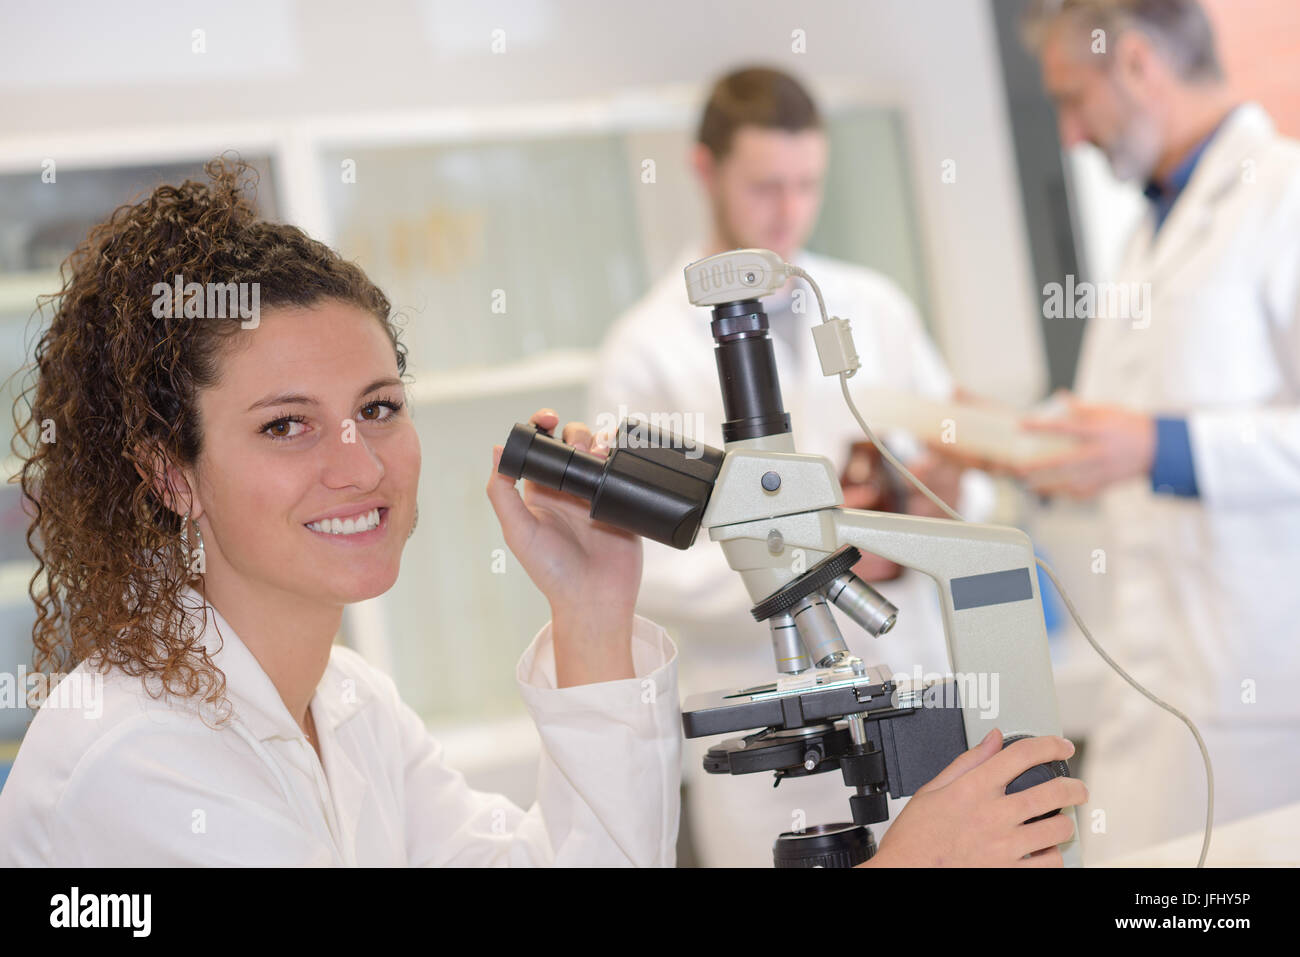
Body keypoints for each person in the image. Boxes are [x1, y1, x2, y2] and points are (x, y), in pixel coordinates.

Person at [0, 157, 1083, 868]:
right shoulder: (139, 759)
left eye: (378, 408)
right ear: (169, 474)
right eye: (286, 425)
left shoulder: (346, 706)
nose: (357, 461)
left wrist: (591, 606)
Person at [586, 66, 999, 866]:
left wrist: (945, 490)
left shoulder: (873, 307)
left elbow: (962, 486)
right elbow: (644, 567)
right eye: (766, 185)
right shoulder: (643, 352)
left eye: (808, 184)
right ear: (705, 170)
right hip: (769, 737)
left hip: (907, 692)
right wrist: (831, 558)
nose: (789, 210)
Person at [998, 0, 1300, 862]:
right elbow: (1123, 430)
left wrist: (1159, 447)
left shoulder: (1285, 195)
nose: (1070, 132)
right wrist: (1025, 450)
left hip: (1256, 698)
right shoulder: (1146, 230)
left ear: (1134, 63)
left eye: (1072, 96)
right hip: (1153, 682)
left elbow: (1157, 438)